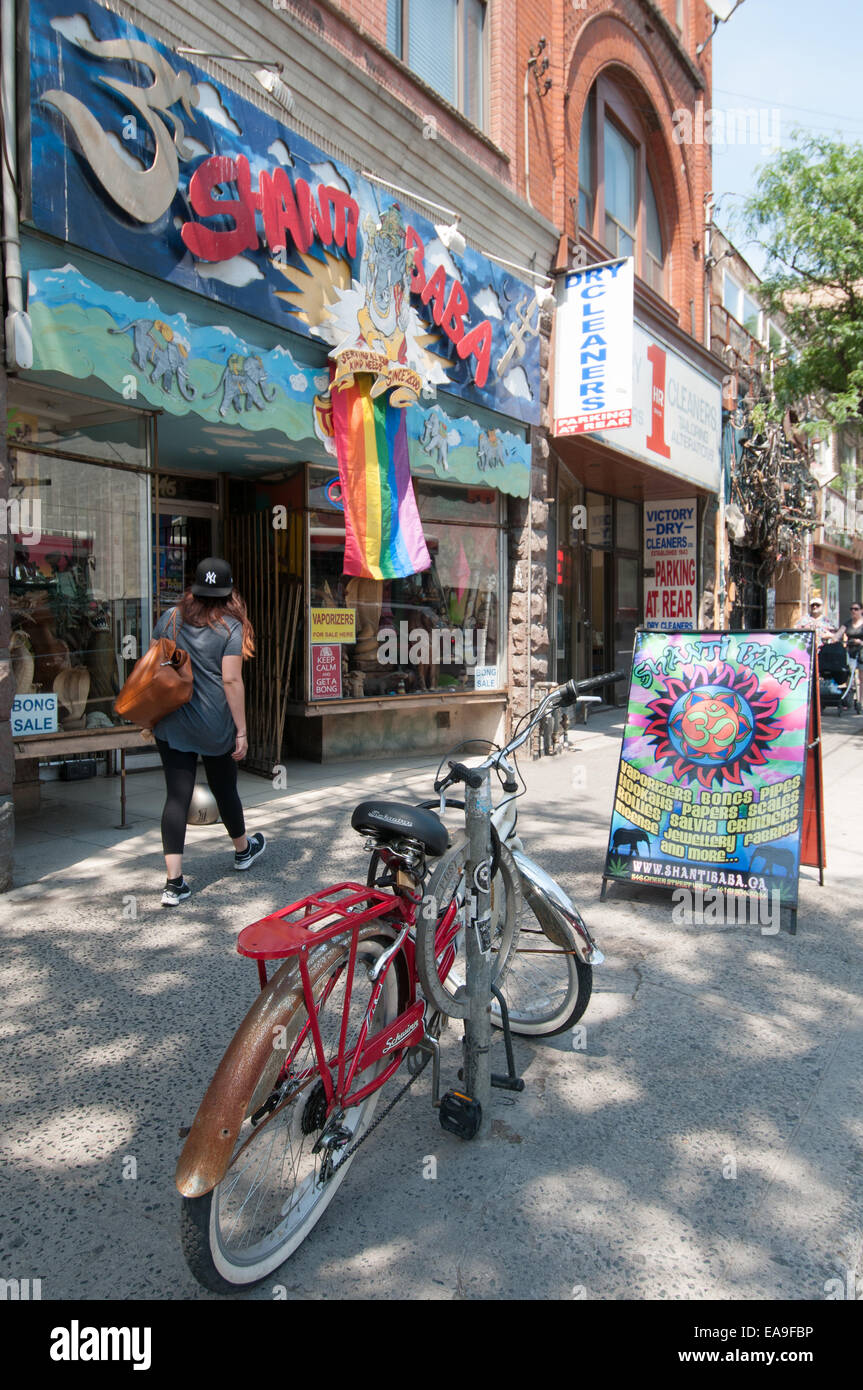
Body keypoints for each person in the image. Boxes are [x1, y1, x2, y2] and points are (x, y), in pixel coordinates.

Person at [149, 557, 265, 905]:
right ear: (229, 593)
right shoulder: (231, 628)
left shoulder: (169, 618)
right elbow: (230, 679)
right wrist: (241, 731)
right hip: (215, 722)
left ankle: (174, 883)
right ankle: (243, 851)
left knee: (176, 795)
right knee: (225, 786)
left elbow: (155, 665)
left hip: (173, 720)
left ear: (194, 589)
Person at [842, 601, 863, 712]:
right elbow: (839, 633)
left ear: (861, 610)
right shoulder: (848, 623)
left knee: (861, 678)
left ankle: (860, 701)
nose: (853, 611)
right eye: (851, 609)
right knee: (849, 676)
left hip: (861, 652)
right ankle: (848, 700)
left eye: (856, 609)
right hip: (849, 652)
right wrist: (833, 637)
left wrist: (860, 642)